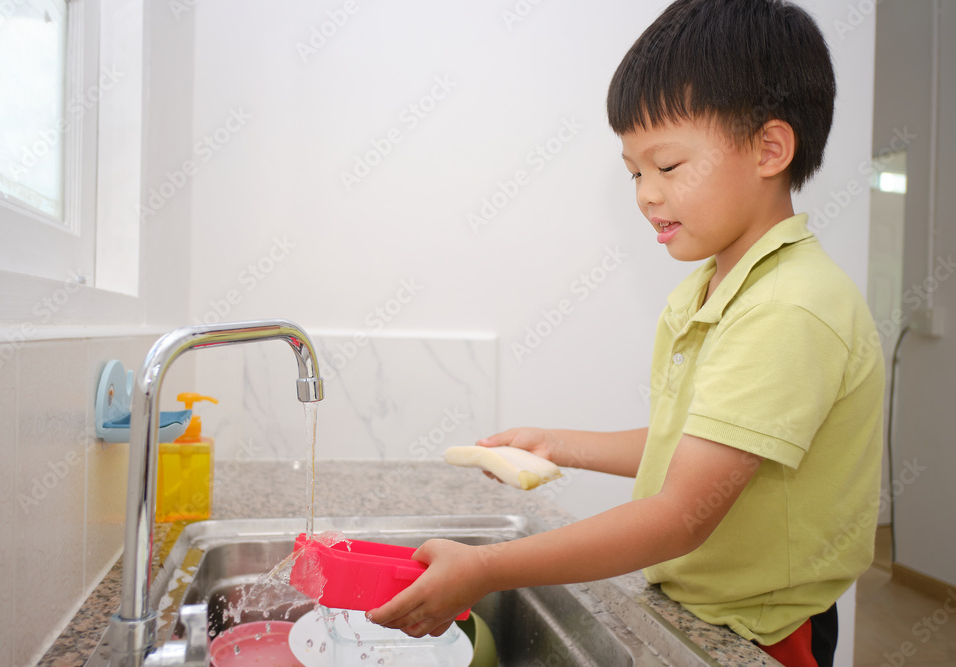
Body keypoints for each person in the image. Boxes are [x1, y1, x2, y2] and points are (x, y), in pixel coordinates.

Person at [369, 1, 884, 664]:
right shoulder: (716, 289)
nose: (644, 193)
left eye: (666, 166)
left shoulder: (790, 308)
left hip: (760, 635)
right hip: (699, 611)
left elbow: (682, 512)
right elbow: (696, 450)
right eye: (634, 171)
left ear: (769, 148)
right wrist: (560, 444)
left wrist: (486, 568)